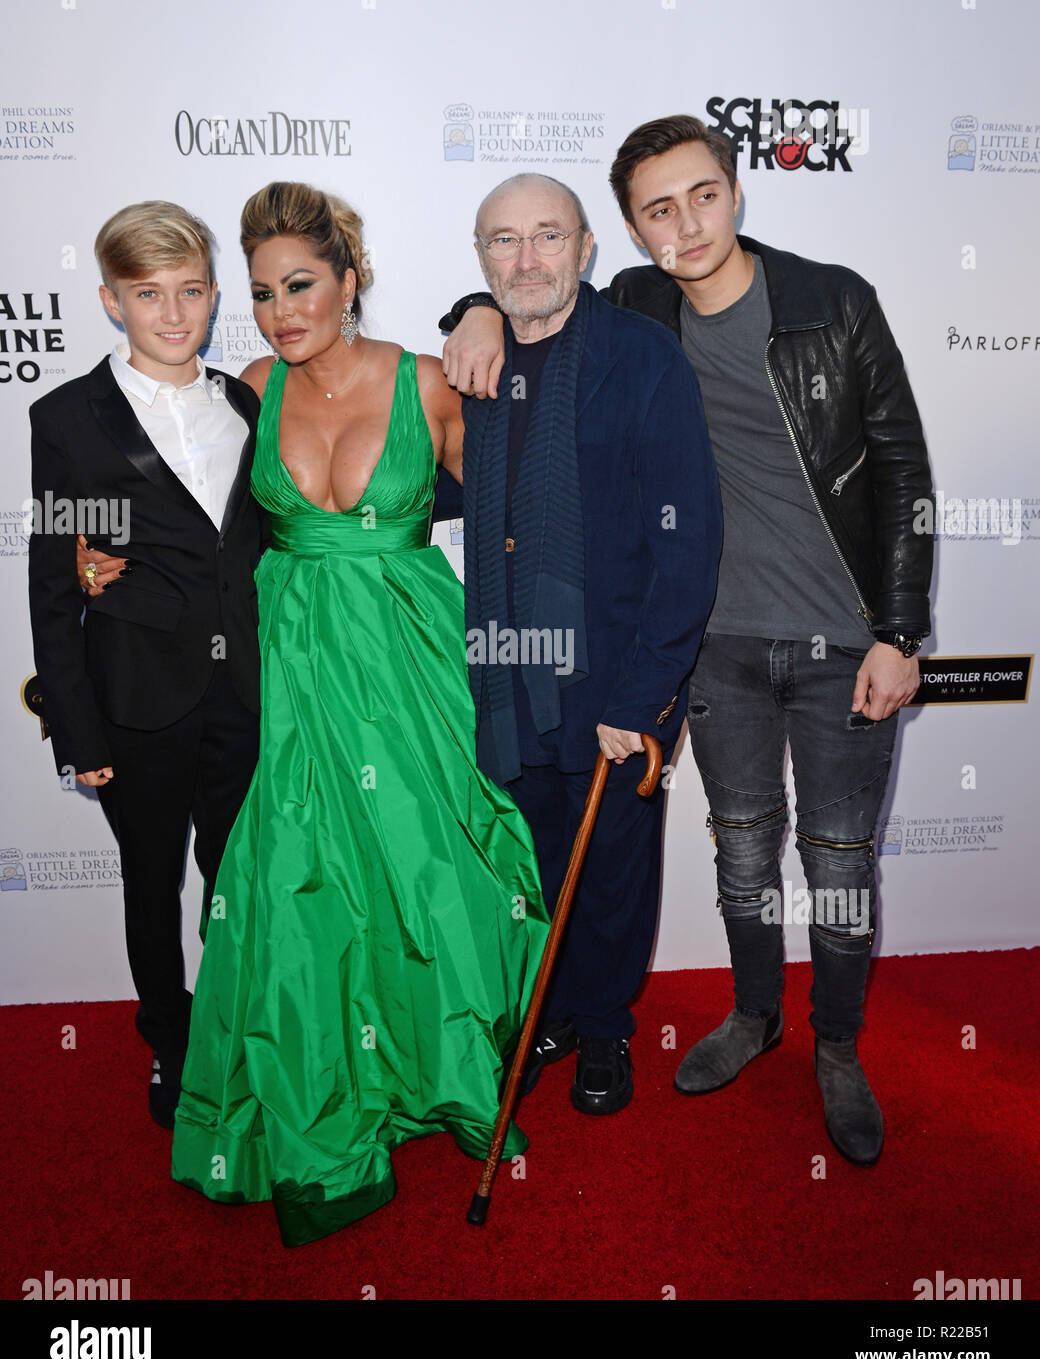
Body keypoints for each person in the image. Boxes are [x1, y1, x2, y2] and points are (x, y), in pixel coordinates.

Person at [441, 118, 934, 1166]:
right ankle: (754, 1016)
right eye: (657, 209)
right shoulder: (639, 305)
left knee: (836, 860)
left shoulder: (830, 302)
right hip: (715, 644)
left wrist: (898, 629)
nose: (685, 224)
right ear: (628, 229)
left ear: (735, 191)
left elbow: (898, 466)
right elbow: (520, 296)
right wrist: (474, 309)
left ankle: (835, 1047)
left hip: (842, 636)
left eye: (700, 196)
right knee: (744, 848)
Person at [157, 182, 549, 1246]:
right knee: (297, 883)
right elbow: (185, 519)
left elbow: (520, 519)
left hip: (411, 663)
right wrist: (104, 564)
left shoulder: (427, 383)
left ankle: (449, 1076)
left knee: (430, 870)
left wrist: (482, 304)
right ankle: (323, 1102)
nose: (282, 311)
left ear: (347, 280)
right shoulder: (246, 387)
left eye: (301, 285)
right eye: (263, 292)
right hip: (289, 668)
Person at [441, 173, 721, 1117]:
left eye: (547, 237)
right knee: (537, 860)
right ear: (482, 261)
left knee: (610, 867)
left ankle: (604, 1030)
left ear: (588, 248)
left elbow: (690, 548)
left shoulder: (643, 359)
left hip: (613, 679)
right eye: (504, 243)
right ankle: (550, 1011)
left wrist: (640, 700)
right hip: (509, 670)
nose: (527, 260)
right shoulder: (468, 371)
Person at [28, 201, 264, 1130]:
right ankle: (170, 1040)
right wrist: (75, 726)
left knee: (238, 877)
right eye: (148, 294)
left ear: (214, 295)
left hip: (244, 690)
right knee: (149, 880)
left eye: (192, 291)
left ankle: (238, 1022)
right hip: (135, 701)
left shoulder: (246, 401)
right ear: (110, 300)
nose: (173, 314)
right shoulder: (66, 417)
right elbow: (55, 579)